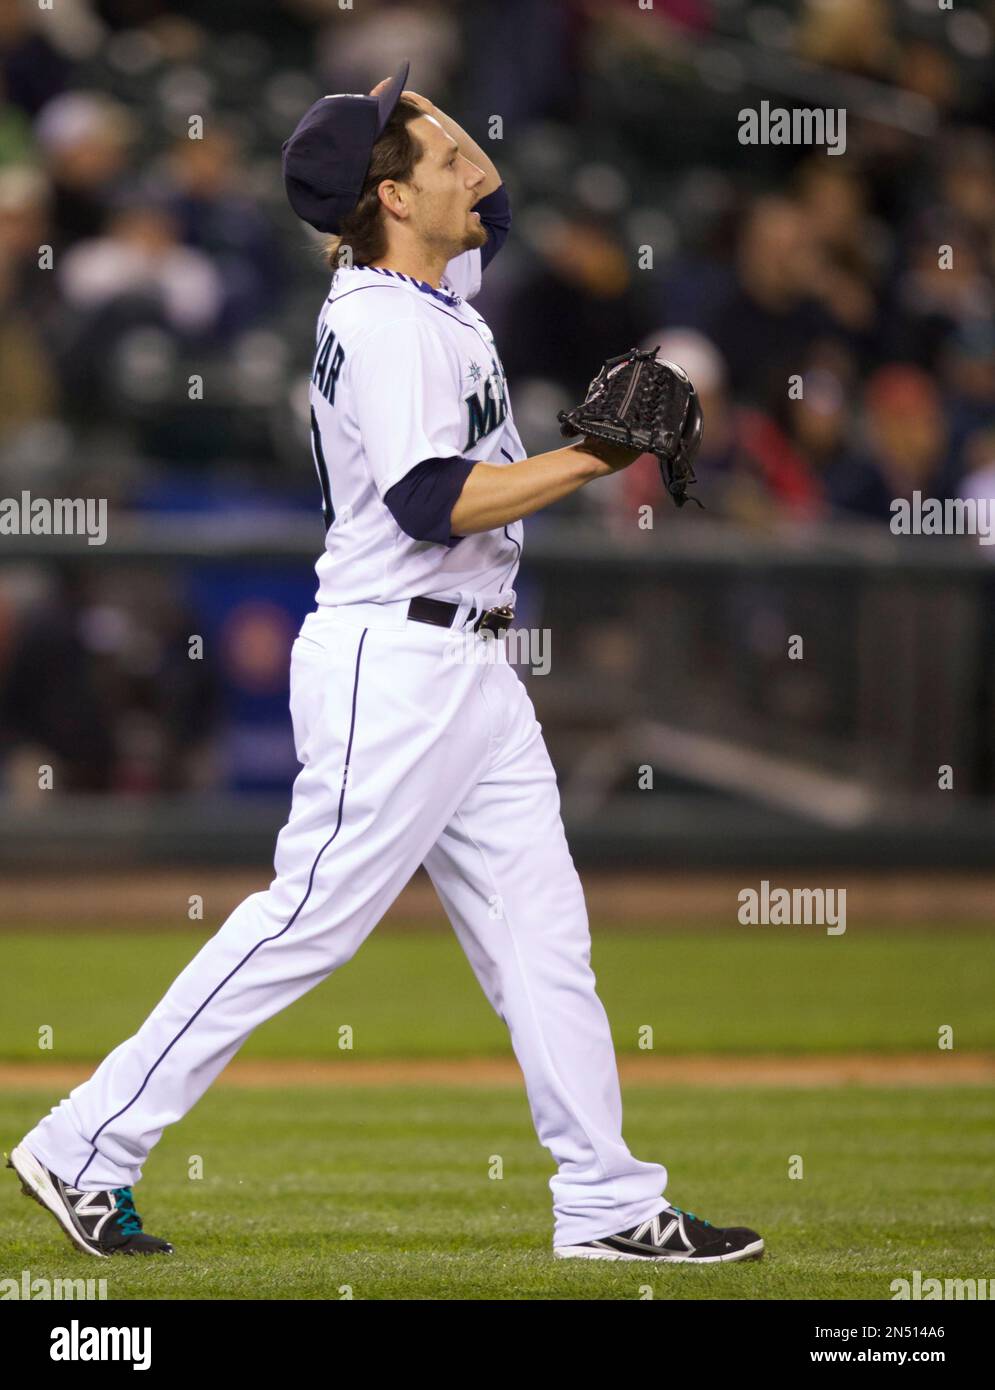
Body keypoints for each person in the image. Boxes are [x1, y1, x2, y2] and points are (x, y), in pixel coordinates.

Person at [7, 62, 764, 1266]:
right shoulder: (376, 317)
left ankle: (607, 1201)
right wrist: (589, 457)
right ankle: (85, 1141)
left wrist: (399, 121)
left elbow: (494, 202)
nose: (463, 160)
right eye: (429, 152)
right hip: (394, 655)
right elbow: (426, 501)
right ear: (390, 199)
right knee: (305, 919)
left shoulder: (429, 276)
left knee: (540, 936)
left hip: (468, 668)